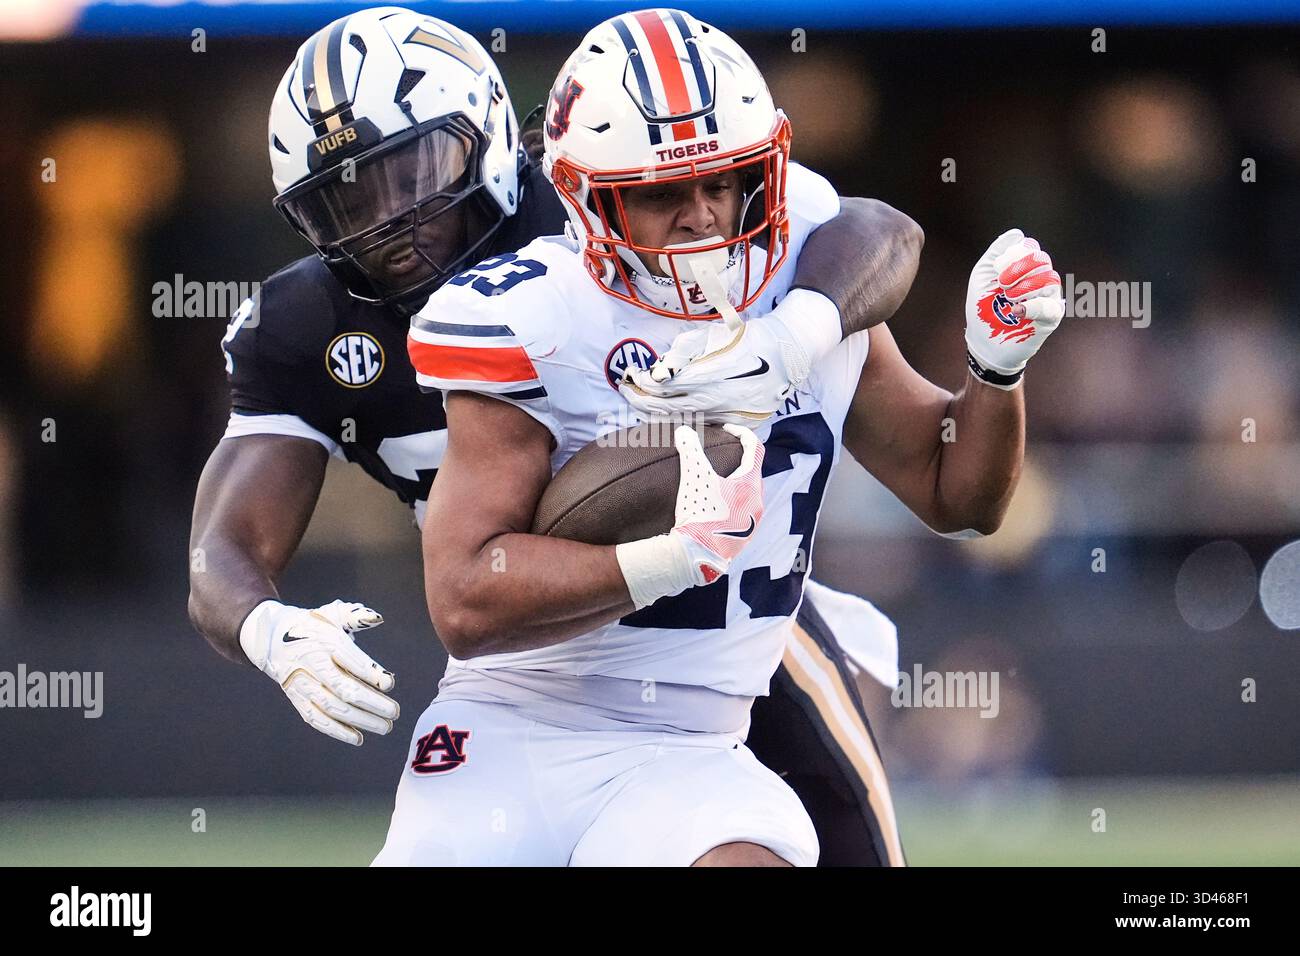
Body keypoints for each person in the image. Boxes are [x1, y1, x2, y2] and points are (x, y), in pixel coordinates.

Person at [188, 6, 923, 866]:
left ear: (493, 137)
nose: (392, 220)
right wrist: (268, 630)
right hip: (527, 642)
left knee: (854, 846)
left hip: (708, 618)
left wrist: (792, 330)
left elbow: (862, 228)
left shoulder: (600, 203)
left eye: (415, 169)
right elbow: (219, 554)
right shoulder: (304, 325)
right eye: (348, 196)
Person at [381, 7, 1063, 866]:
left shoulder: (806, 276)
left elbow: (956, 493)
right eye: (662, 193)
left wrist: (996, 375)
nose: (705, 216)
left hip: (693, 747)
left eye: (725, 181)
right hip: (517, 728)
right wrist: (666, 561)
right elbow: (466, 601)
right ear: (587, 200)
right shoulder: (535, 317)